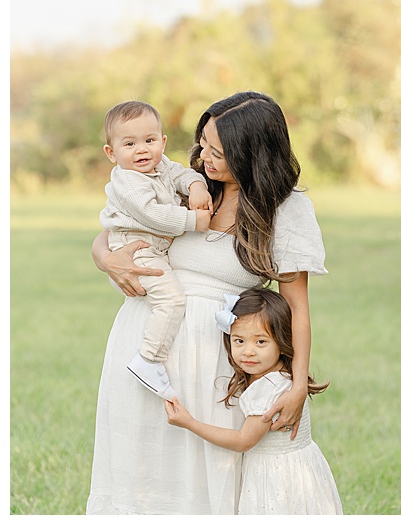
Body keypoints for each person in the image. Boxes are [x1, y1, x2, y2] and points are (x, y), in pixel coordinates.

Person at [87, 91, 328, 514]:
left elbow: (297, 308)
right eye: (202, 144)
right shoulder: (183, 184)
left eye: (217, 152)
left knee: (205, 479)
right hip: (142, 345)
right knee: (139, 470)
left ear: (251, 154)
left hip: (213, 363)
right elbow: (114, 229)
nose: (203, 157)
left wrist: (296, 385)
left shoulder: (284, 209)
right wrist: (104, 258)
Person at [165, 288, 342, 514]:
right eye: (239, 340)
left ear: (282, 341)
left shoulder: (267, 387)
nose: (248, 351)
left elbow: (243, 440)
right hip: (300, 470)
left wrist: (190, 423)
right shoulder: (284, 375)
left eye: (260, 342)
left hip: (276, 480)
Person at [99, 100, 213, 400]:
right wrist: (193, 220)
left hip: (154, 247)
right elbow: (153, 215)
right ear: (111, 152)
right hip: (136, 249)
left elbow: (182, 174)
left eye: (149, 140)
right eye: (129, 144)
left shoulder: (161, 165)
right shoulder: (127, 181)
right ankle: (149, 360)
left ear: (162, 142)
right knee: (171, 299)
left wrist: (197, 187)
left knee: (169, 295)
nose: (142, 150)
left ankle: (151, 358)